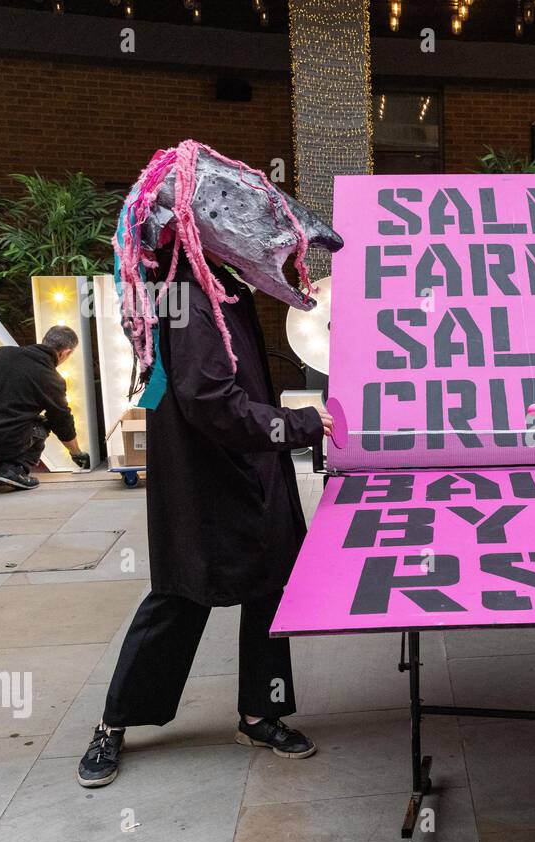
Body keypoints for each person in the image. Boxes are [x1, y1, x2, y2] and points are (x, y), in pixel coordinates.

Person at [77, 141, 343, 787]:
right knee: (178, 599)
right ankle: (114, 723)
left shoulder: (211, 284)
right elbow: (208, 401)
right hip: (207, 483)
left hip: (249, 475)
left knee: (267, 597)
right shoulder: (193, 294)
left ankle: (261, 713)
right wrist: (301, 424)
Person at [0, 324, 89, 503]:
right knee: (42, 424)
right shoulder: (50, 378)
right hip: (0, 443)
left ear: (44, 340)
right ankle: (14, 469)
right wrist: (76, 452)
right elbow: (61, 420)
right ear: (65, 353)